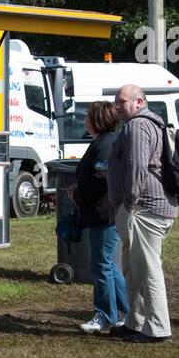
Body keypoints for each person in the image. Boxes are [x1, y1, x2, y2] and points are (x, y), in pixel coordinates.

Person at [107, 84, 178, 343]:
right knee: (132, 268)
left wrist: (131, 201)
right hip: (148, 207)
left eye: (122, 101)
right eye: (115, 102)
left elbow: (137, 165)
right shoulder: (150, 123)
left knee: (147, 269)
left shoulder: (138, 125)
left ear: (139, 102)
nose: (117, 106)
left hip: (144, 208)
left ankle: (158, 329)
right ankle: (135, 321)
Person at [70, 100, 128, 334]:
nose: (84, 121)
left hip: (105, 213)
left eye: (88, 117)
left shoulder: (106, 144)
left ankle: (105, 315)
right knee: (106, 264)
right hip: (101, 212)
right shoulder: (103, 142)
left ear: (97, 120)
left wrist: (79, 192)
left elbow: (101, 179)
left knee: (101, 264)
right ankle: (127, 309)